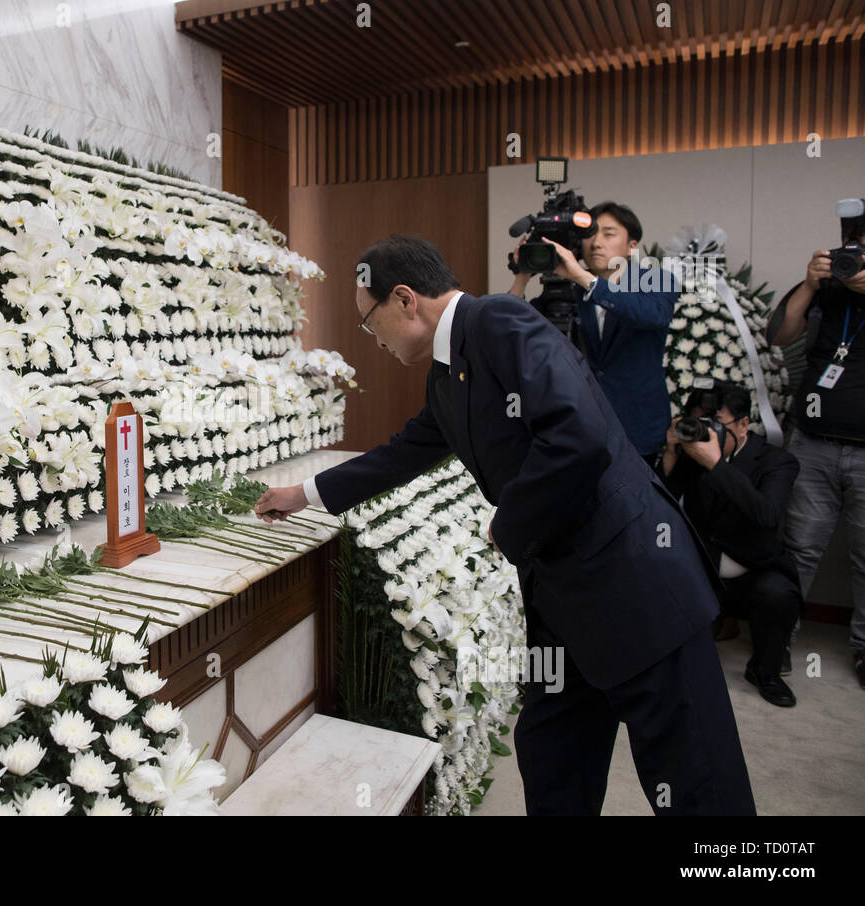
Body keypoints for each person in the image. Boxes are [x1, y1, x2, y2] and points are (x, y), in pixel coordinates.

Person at [255, 234, 755, 815]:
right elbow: (404, 453)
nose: (375, 341)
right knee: (552, 754)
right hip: (567, 600)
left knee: (696, 780)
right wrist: (303, 493)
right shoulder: (447, 373)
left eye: (370, 324)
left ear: (404, 299)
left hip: (634, 583)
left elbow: (579, 437)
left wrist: (508, 524)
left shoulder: (499, 320)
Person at [767, 218, 865, 691]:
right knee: (799, 550)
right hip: (814, 442)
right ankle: (779, 639)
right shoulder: (826, 285)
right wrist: (809, 283)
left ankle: (863, 651)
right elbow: (781, 336)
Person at [658, 383, 801, 706]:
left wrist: (716, 465)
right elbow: (663, 501)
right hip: (705, 570)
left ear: (742, 424)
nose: (707, 432)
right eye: (702, 422)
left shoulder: (776, 461)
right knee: (688, 663)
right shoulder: (693, 452)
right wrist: (670, 452)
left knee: (778, 594)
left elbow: (765, 514)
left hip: (756, 569)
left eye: (716, 424)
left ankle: (767, 673)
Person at [508, 202, 679, 467]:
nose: (596, 243)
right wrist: (522, 277)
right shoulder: (569, 289)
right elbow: (513, 327)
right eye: (590, 235)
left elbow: (651, 315)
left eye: (609, 234)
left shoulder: (657, 279)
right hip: (580, 429)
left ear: (632, 246)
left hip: (637, 426)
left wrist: (585, 279)